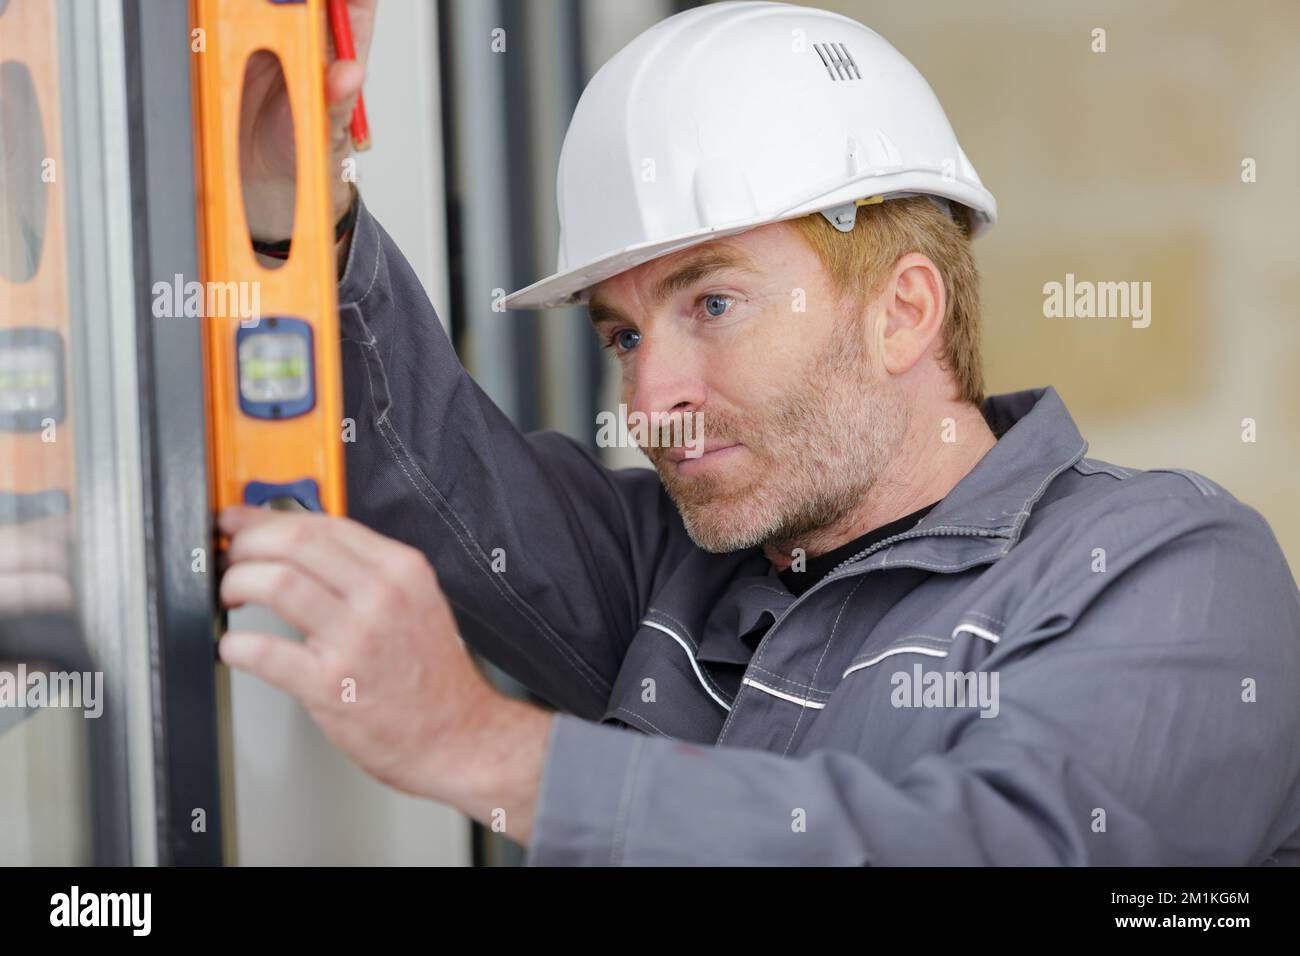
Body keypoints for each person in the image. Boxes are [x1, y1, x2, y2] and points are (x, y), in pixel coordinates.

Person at [220, 0, 1300, 864]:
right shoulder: (673, 565)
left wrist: (485, 748)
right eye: (623, 337)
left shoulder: (1171, 569)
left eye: (712, 306)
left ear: (903, 310)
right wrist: (293, 208)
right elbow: (432, 469)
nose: (650, 400)